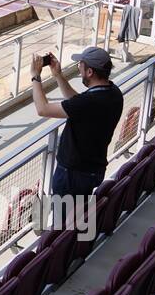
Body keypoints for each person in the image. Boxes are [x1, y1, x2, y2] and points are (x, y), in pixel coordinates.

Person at [30, 46, 124, 205]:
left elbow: (42, 109)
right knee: (79, 217)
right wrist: (58, 75)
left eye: (80, 64)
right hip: (93, 170)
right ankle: (80, 230)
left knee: (64, 223)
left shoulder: (88, 102)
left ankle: (61, 230)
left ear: (90, 72)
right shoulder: (113, 93)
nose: (78, 67)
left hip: (72, 175)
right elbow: (77, 102)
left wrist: (35, 76)